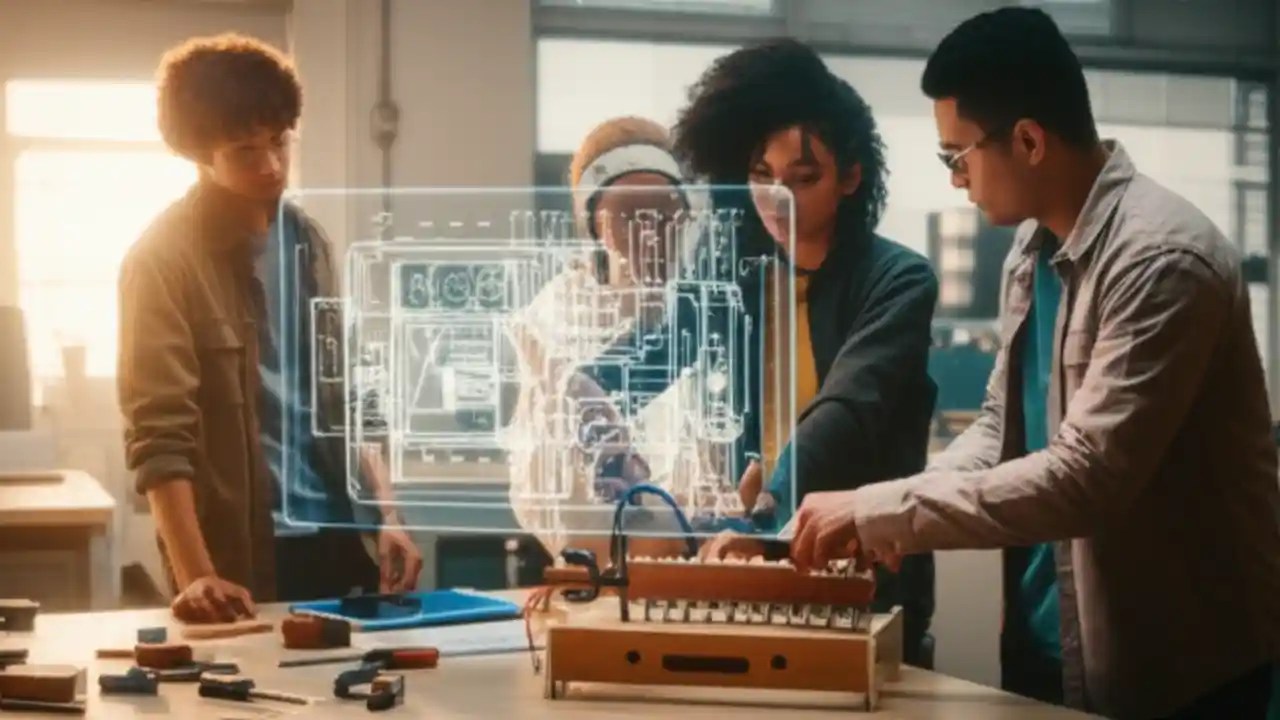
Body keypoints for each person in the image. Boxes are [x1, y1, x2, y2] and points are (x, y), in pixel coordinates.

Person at [785, 8, 1280, 719]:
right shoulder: (1033, 248)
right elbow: (1000, 426)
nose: (956, 179)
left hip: (1175, 674)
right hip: (1047, 645)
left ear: (1027, 140)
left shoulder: (1163, 261)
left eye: (957, 156)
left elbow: (1086, 477)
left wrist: (880, 508)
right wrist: (890, 512)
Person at [117, 33, 422, 623]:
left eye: (279, 142)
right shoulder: (159, 261)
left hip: (339, 540)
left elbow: (353, 396)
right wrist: (197, 576)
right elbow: (159, 439)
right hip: (244, 556)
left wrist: (390, 518)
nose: (272, 166)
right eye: (245, 151)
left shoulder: (310, 243)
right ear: (201, 154)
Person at [673, 39, 939, 668]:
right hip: (747, 571)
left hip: (864, 581)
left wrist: (763, 523)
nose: (777, 201)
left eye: (803, 178)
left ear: (851, 176)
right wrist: (586, 386)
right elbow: (664, 347)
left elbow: (845, 410)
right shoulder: (736, 274)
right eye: (762, 178)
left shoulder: (899, 280)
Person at [506, 116, 704, 565]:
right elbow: (553, 509)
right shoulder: (551, 323)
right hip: (597, 575)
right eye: (631, 216)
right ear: (595, 225)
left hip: (697, 574)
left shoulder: (701, 317)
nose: (653, 235)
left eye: (668, 215)